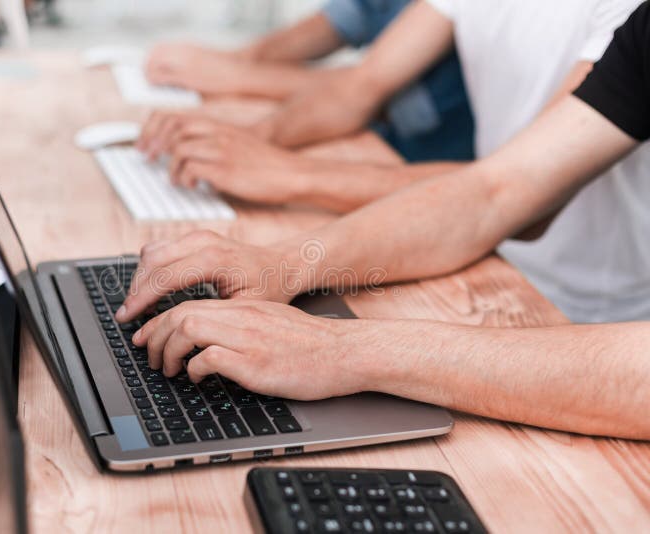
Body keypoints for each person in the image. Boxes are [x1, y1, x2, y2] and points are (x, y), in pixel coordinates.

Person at [115, 3, 650, 440]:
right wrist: (284, 263)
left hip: (595, 341)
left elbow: (530, 215)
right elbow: (496, 190)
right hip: (511, 303)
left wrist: (341, 349)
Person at [137, 0, 639, 215]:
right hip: (484, 244)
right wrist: (253, 143)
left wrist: (287, 172)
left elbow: (524, 199)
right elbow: (362, 83)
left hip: (587, 312)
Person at [144, 0, 475, 164]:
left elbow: (371, 93)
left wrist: (238, 84)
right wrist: (239, 60)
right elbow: (344, 18)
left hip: (424, 171)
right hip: (377, 153)